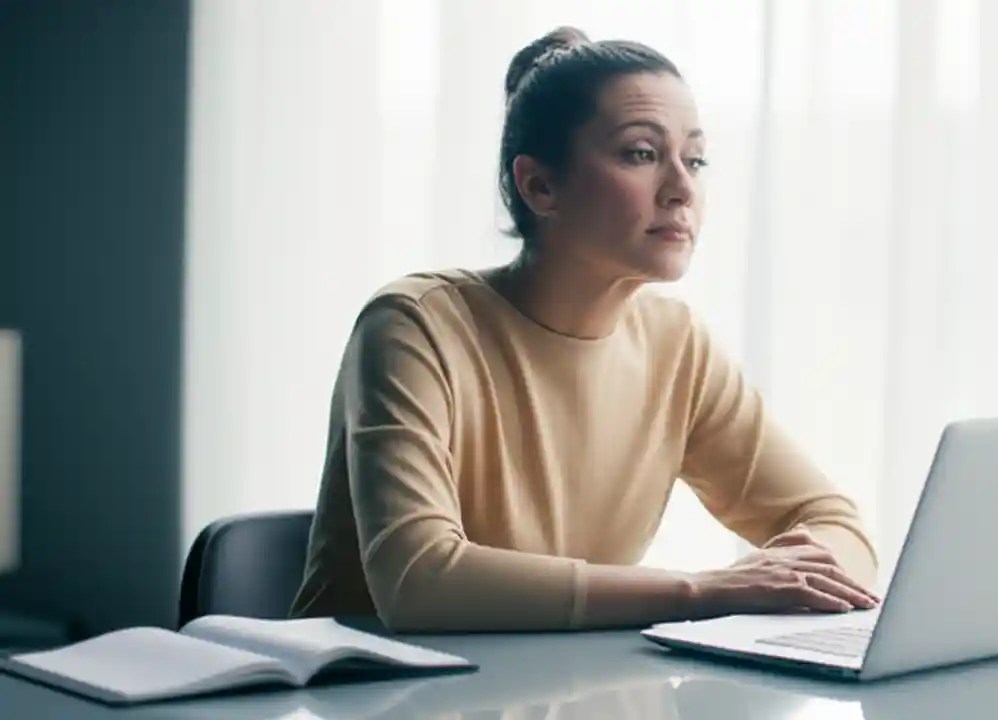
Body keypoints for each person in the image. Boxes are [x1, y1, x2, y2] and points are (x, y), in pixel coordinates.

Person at [290, 27, 879, 632]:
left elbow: (833, 520)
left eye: (695, 159)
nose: (682, 189)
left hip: (565, 677)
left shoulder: (676, 345)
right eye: (641, 154)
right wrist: (703, 591)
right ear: (539, 186)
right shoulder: (414, 327)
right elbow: (418, 581)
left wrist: (800, 577)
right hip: (375, 681)